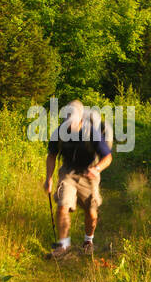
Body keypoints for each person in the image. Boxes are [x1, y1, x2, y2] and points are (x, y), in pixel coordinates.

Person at [43, 100, 112, 259]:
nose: (70, 126)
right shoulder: (60, 131)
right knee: (62, 206)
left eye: (73, 122)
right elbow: (52, 155)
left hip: (88, 173)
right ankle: (64, 245)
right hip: (68, 172)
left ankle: (88, 242)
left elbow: (107, 157)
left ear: (81, 120)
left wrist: (97, 169)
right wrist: (49, 178)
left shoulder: (92, 133)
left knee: (92, 212)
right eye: (67, 122)